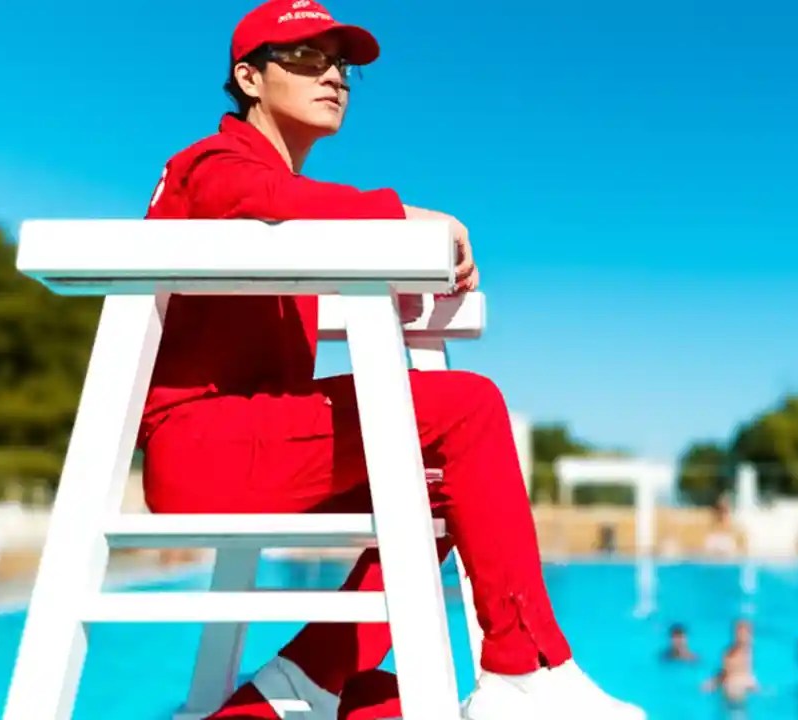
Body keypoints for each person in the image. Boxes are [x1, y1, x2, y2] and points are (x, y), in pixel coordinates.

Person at [136, 3, 644, 719]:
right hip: (205, 447)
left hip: (257, 442)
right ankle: (523, 668)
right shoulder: (212, 163)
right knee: (468, 407)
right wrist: (402, 218)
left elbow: (285, 212)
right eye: (307, 58)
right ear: (249, 78)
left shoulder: (287, 214)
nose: (335, 75)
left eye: (342, 63)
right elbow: (248, 195)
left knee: (445, 486)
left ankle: (298, 683)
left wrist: (399, 280)